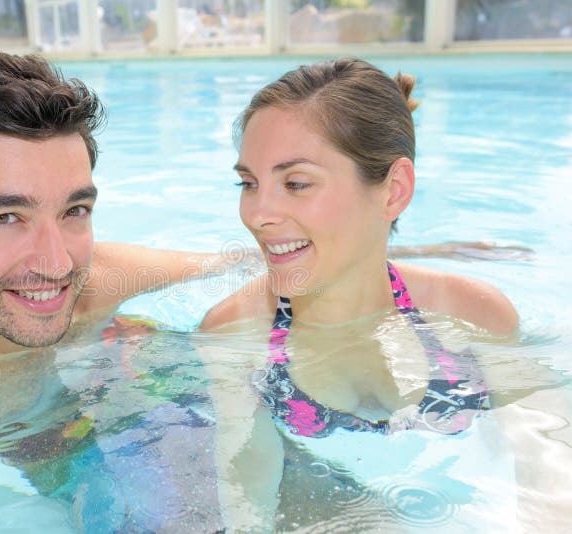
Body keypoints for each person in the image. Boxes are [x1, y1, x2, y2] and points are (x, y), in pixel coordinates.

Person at [0, 51, 534, 532]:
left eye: (75, 210)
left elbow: (237, 259)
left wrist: (406, 247)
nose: (55, 262)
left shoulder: (97, 277)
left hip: (187, 397)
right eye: (5, 217)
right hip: (95, 454)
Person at [197, 57, 571, 531]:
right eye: (248, 183)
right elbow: (247, 500)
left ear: (394, 190)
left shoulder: (473, 315)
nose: (257, 214)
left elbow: (550, 467)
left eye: (295, 183)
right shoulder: (235, 334)